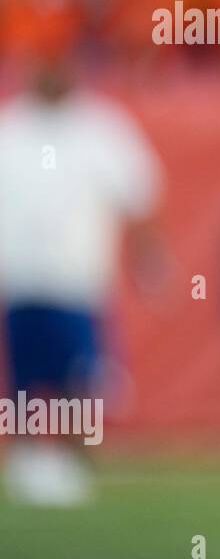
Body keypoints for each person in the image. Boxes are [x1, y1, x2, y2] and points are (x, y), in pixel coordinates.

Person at [0, 52, 164, 506]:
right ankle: (29, 457)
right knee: (26, 379)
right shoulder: (10, 128)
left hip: (76, 279)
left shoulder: (101, 128)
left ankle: (75, 458)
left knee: (81, 377)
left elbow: (138, 194)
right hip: (21, 277)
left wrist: (149, 260)